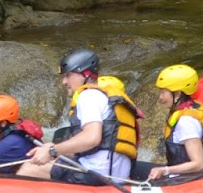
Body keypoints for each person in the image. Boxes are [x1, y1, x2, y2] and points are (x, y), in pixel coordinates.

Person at [17, 48, 140, 184]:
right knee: (55, 162)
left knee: (30, 167)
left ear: (85, 74)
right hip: (117, 175)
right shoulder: (107, 98)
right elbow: (97, 148)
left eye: (68, 75)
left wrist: (52, 151)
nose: (64, 81)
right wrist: (56, 150)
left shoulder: (88, 96)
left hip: (97, 174)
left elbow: (91, 139)